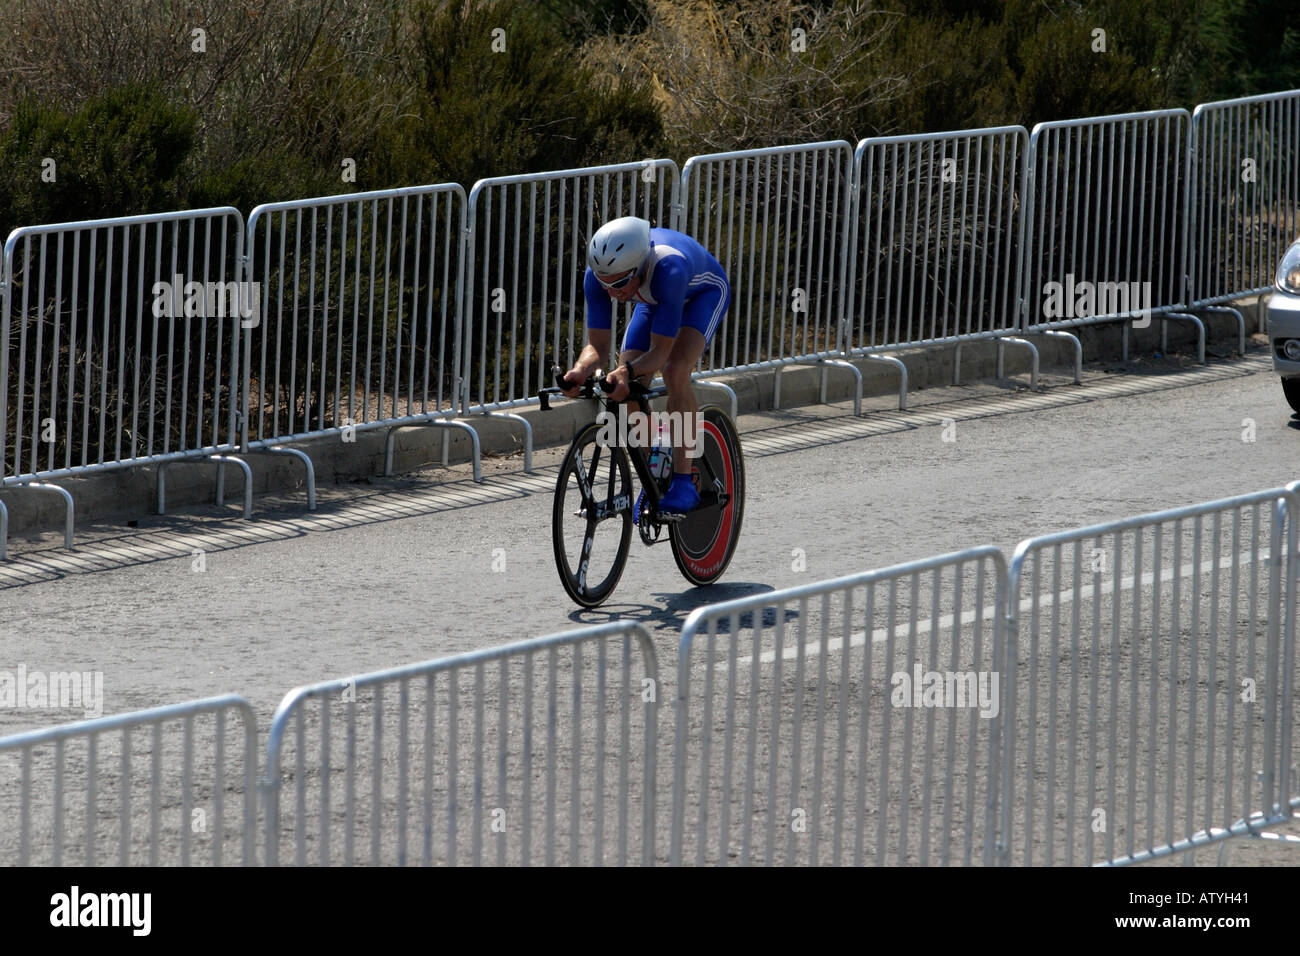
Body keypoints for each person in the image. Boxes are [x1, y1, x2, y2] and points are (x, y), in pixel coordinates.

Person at [561, 215, 729, 515]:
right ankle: (656, 477)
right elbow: (597, 347)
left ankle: (681, 480)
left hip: (702, 294)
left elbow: (660, 353)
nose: (613, 293)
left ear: (639, 266)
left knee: (675, 370)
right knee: (625, 386)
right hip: (655, 300)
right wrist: (579, 371)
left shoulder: (669, 268)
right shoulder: (600, 275)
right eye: (606, 285)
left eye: (621, 283)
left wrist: (625, 372)